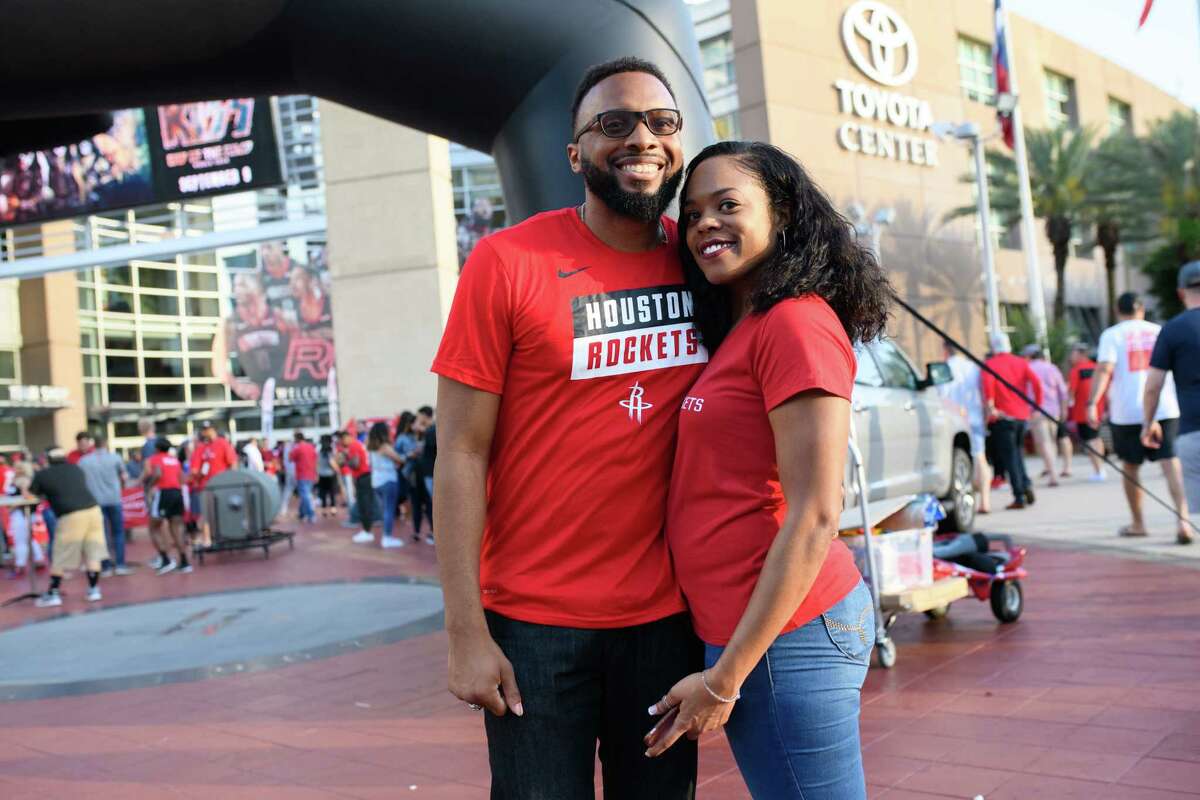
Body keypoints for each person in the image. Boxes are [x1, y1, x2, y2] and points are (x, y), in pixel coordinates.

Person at [433, 57, 709, 798]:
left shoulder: (707, 263)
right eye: (613, 123)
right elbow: (459, 451)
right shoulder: (507, 262)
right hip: (531, 626)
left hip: (664, 621)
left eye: (661, 122)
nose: (641, 138)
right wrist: (465, 631)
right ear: (575, 154)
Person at [645, 141, 890, 799]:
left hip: (788, 638)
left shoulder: (795, 324)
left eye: (728, 205)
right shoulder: (747, 323)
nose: (703, 226)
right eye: (692, 213)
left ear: (782, 213)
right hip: (760, 635)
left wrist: (725, 679)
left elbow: (816, 514)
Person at [1088, 292, 1188, 540]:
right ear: (1141, 309)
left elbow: (1104, 369)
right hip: (1164, 406)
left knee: (1131, 466)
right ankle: (1182, 521)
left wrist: (1092, 402)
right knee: (1171, 462)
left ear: (1117, 310)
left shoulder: (1112, 335)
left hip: (1127, 410)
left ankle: (1138, 522)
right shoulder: (1160, 331)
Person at [1142, 262, 1200, 544]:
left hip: (1193, 432)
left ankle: (1185, 524)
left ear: (1180, 293)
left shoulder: (1173, 330)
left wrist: (1147, 423)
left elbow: (1153, 386)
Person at [25, 447, 107, 607]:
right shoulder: (76, 469)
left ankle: (53, 593)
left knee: (60, 554)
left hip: (70, 515)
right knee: (92, 551)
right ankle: (94, 589)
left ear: (47, 459)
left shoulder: (43, 475)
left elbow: (30, 494)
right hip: (93, 510)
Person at [982, 333, 1043, 510]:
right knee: (1018, 453)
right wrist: (1035, 406)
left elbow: (988, 387)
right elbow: (1036, 383)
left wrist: (991, 406)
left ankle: (1019, 495)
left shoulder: (990, 364)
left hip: (1003, 417)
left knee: (1009, 458)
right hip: (1022, 416)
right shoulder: (1021, 362)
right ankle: (1026, 484)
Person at [938, 338, 991, 515]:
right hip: (974, 416)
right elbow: (982, 392)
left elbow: (941, 396)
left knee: (959, 462)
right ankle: (985, 500)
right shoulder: (972, 367)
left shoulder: (945, 368)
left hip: (955, 420)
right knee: (980, 458)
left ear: (946, 349)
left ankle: (967, 501)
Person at [78, 435, 131, 576]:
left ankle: (106, 566)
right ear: (106, 443)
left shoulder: (84, 461)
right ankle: (120, 564)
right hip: (114, 499)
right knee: (118, 532)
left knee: (101, 534)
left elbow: (80, 481)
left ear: (93, 444)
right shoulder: (116, 458)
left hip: (95, 501)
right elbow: (124, 477)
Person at [1022, 343, 1071, 483]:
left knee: (1044, 443)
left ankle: (1053, 474)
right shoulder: (1052, 368)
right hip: (1053, 410)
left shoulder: (1027, 368)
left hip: (1035, 411)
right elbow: (1062, 391)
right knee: (1052, 441)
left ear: (1029, 356)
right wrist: (1064, 409)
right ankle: (1052, 469)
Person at [143, 437, 192, 575]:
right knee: (176, 527)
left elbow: (157, 474)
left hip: (164, 493)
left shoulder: (156, 458)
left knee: (153, 527)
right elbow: (183, 478)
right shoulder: (174, 460)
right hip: (177, 493)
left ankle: (165, 559)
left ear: (157, 448)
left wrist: (149, 486)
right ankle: (184, 561)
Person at [188, 422, 238, 546]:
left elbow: (233, 464)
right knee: (206, 513)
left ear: (214, 430)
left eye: (208, 429)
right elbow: (194, 470)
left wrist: (232, 481)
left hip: (222, 485)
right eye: (204, 430)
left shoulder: (222, 443)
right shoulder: (200, 447)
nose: (205, 432)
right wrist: (199, 475)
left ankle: (230, 535)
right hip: (205, 487)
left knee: (226, 511)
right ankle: (207, 539)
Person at [1066, 342, 1108, 481]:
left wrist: (1067, 405)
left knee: (1090, 440)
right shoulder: (1097, 367)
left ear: (1080, 354)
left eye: (1073, 353)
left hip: (1083, 411)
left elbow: (1071, 391)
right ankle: (1100, 468)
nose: (1071, 356)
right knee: (1096, 438)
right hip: (1098, 409)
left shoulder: (1077, 370)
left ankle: (1098, 471)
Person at [367, 422, 407, 548]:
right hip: (388, 479)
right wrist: (408, 455)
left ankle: (386, 536)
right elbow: (400, 459)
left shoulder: (371, 446)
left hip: (376, 481)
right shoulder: (384, 446)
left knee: (384, 510)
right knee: (389, 510)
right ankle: (387, 537)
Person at [336, 428, 374, 544]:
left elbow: (356, 464)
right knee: (364, 504)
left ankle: (367, 531)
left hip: (363, 477)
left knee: (364, 505)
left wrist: (345, 462)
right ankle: (367, 530)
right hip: (365, 477)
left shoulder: (353, 446)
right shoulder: (357, 445)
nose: (342, 443)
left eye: (342, 440)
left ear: (346, 437)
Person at [412, 406, 437, 544]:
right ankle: (435, 533)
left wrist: (421, 429)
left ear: (424, 415)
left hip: (431, 471)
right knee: (432, 502)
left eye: (419, 416)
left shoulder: (433, 430)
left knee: (435, 503)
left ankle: (437, 534)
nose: (417, 419)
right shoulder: (429, 430)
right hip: (428, 471)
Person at [393, 411, 417, 533]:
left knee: (413, 496)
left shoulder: (415, 435)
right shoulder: (401, 437)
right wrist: (409, 455)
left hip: (417, 470)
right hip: (405, 471)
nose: (414, 425)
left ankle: (411, 519)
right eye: (412, 422)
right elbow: (396, 455)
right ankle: (407, 518)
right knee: (406, 495)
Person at [288, 431, 318, 523]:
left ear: (296, 439)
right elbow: (316, 460)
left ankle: (311, 514)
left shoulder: (298, 448)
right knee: (305, 495)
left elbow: (290, 459)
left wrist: (291, 448)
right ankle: (302, 513)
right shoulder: (311, 447)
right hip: (311, 474)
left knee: (305, 496)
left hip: (302, 475)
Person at [316, 434, 339, 517]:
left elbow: (317, 464)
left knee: (323, 493)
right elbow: (332, 462)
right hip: (330, 475)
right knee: (332, 492)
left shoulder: (319, 452)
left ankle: (324, 509)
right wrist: (337, 469)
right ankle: (333, 509)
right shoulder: (331, 452)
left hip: (322, 475)